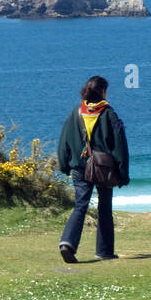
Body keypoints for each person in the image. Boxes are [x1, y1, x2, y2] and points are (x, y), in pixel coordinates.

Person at [55, 75, 129, 263]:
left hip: (79, 167)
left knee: (80, 205)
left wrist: (64, 164)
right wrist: (123, 172)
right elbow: (119, 144)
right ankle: (104, 251)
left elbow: (63, 140)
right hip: (103, 168)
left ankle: (67, 243)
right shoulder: (109, 113)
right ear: (103, 91)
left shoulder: (75, 112)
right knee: (105, 207)